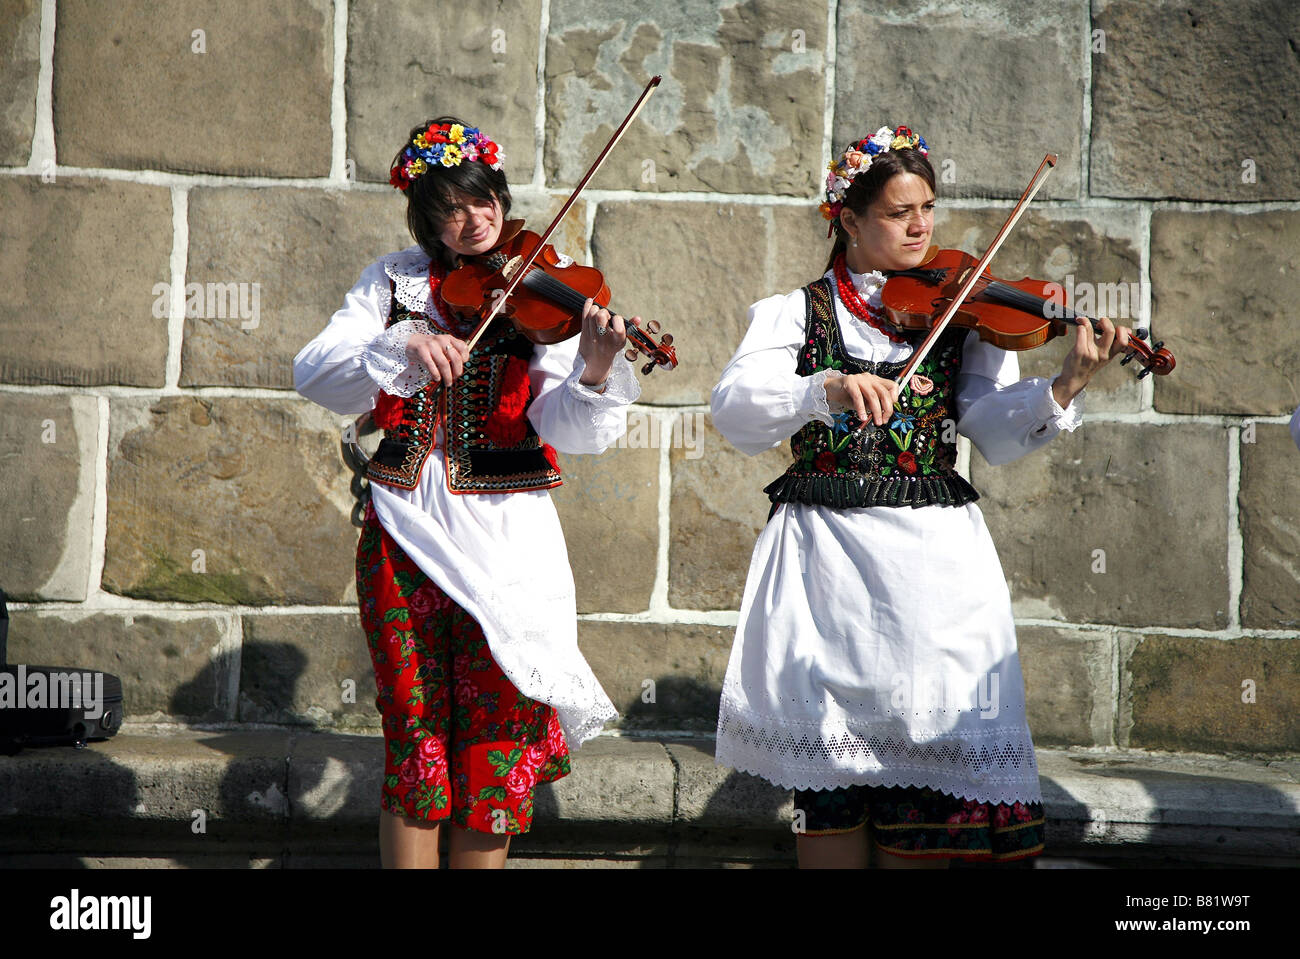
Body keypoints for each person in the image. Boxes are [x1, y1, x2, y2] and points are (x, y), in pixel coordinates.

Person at [711, 125, 1132, 869]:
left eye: (928, 208)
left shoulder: (963, 316)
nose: (919, 227)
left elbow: (995, 434)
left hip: (934, 581)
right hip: (824, 578)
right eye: (898, 212)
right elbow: (735, 412)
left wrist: (1063, 386)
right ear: (847, 221)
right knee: (831, 798)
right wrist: (823, 389)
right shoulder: (794, 312)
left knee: (933, 813)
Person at [294, 117, 641, 868]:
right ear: (424, 217)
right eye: (452, 207)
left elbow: (571, 427)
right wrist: (401, 345)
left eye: (485, 200)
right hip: (406, 530)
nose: (475, 219)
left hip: (508, 543)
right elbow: (314, 370)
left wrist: (596, 368)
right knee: (416, 734)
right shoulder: (392, 283)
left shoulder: (545, 287)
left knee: (495, 740)